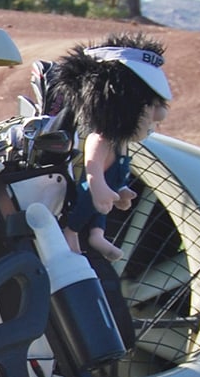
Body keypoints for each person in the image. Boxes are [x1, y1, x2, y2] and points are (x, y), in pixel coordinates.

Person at [46, 34, 173, 262]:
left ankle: (97, 235)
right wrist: (99, 186)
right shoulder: (101, 138)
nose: (160, 113)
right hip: (94, 190)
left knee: (99, 214)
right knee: (86, 207)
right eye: (151, 105)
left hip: (108, 189)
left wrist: (121, 189)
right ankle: (71, 232)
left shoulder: (120, 140)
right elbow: (93, 167)